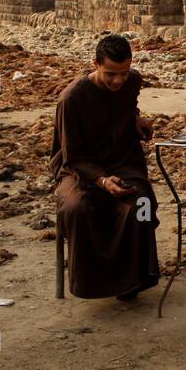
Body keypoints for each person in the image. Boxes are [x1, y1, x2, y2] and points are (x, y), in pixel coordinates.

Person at [51, 34, 159, 301]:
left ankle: (134, 279)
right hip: (78, 169)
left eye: (123, 73)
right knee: (78, 208)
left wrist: (136, 118)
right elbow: (72, 156)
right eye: (111, 74)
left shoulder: (132, 81)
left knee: (140, 204)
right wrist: (101, 180)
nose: (118, 81)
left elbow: (126, 104)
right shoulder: (71, 99)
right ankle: (92, 283)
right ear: (95, 64)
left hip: (123, 162)